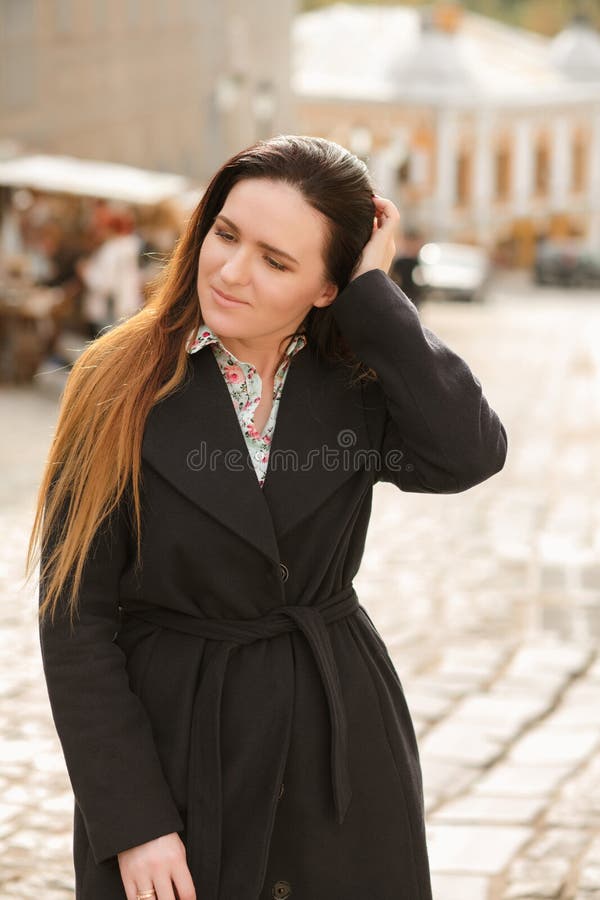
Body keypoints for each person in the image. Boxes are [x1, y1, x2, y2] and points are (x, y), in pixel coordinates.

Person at [27, 135, 508, 900]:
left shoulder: (357, 381)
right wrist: (134, 822)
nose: (230, 271)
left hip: (338, 752)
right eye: (225, 234)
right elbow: (74, 622)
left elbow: (468, 453)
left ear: (327, 287)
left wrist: (375, 298)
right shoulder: (115, 380)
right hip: (176, 745)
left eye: (276, 262)